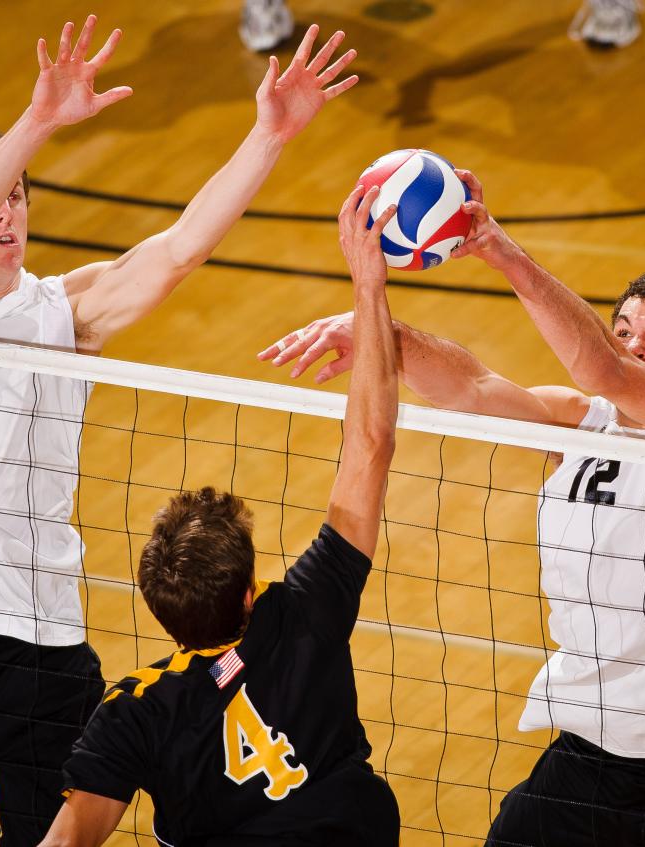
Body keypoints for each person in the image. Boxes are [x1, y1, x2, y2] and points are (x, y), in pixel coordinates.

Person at [0, 16, 357, 847]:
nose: (9, 212)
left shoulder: (65, 310)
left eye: (20, 194)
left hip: (39, 647)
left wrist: (268, 135)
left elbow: (180, 250)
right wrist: (38, 125)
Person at [260, 170, 645, 845]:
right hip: (590, 764)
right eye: (624, 328)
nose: (634, 343)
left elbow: (606, 369)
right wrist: (377, 328)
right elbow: (475, 388)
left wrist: (498, 249)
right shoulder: (581, 428)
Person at [40, 184, 402, 847]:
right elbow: (371, 446)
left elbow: (66, 842)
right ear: (246, 589)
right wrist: (368, 286)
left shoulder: (135, 711)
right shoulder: (303, 612)